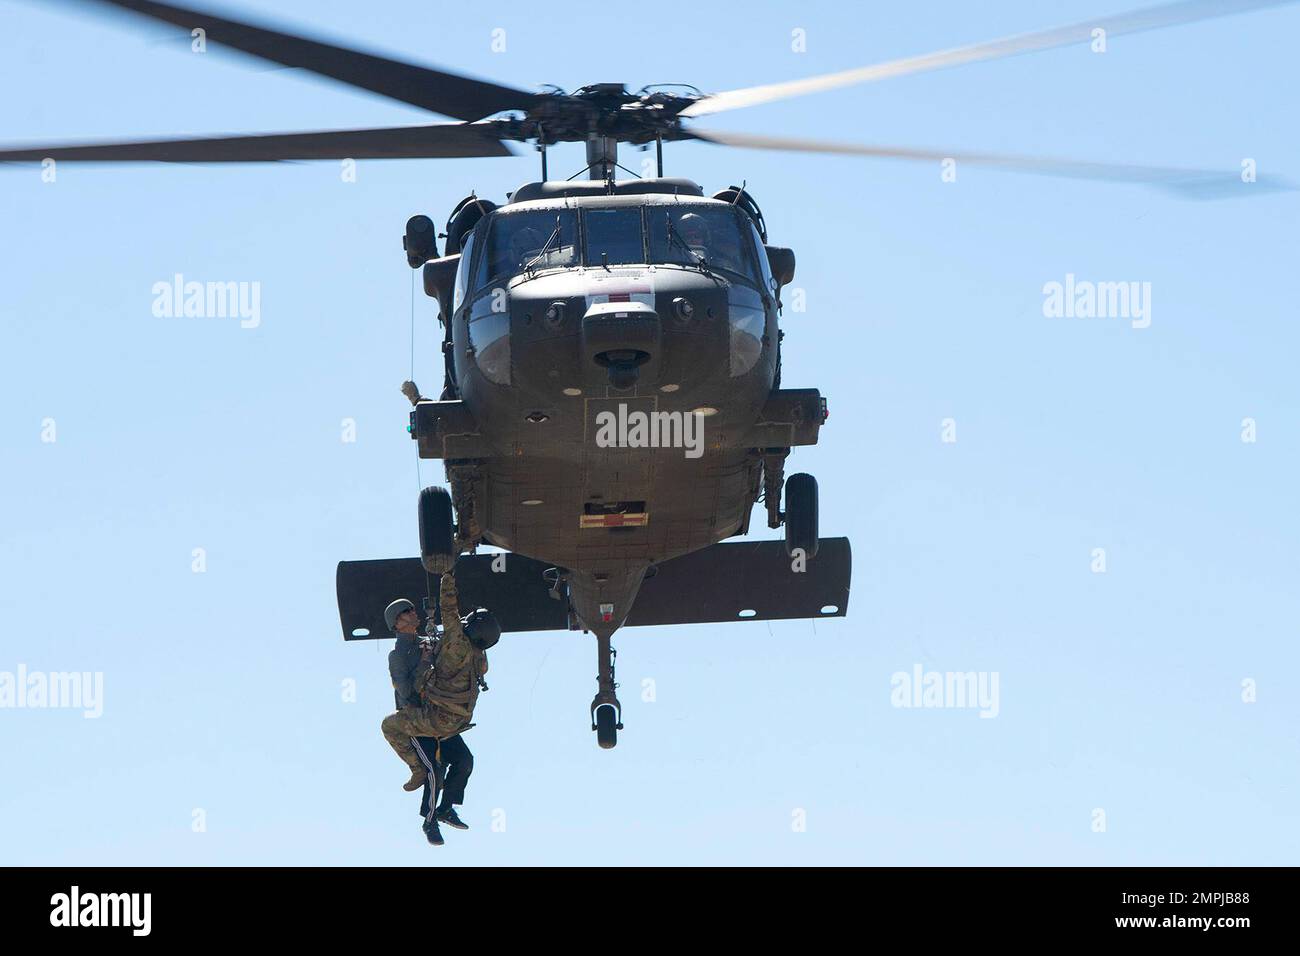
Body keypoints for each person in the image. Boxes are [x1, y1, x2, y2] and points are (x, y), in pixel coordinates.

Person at [380, 568, 501, 845]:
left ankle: (447, 808)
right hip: (418, 721)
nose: (413, 613)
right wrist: (424, 661)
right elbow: (406, 691)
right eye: (406, 612)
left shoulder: (430, 642)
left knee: (463, 761)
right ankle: (430, 821)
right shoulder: (398, 655)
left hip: (439, 718)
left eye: (411, 610)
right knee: (434, 770)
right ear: (396, 624)